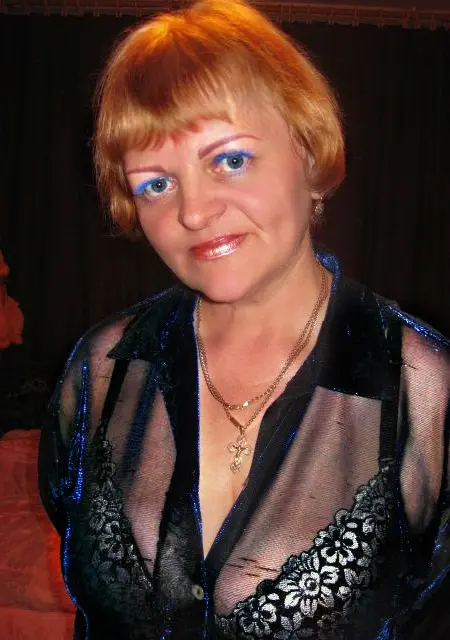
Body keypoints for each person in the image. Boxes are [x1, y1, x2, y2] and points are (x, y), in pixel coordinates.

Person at [38, 0, 450, 638]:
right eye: (155, 184)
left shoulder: (425, 390)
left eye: (230, 160)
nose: (194, 212)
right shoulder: (103, 367)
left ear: (307, 153)